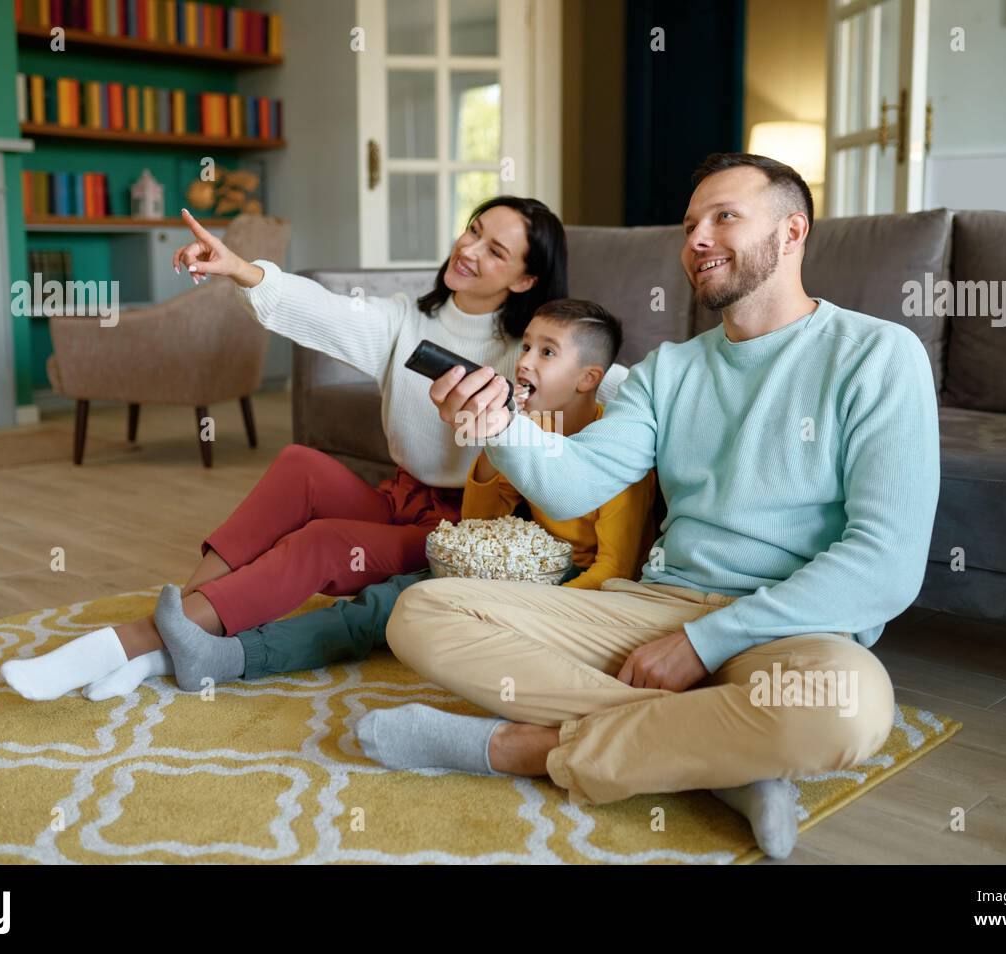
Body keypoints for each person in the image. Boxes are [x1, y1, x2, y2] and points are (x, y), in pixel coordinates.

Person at [359, 152, 941, 860]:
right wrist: (502, 427)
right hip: (654, 606)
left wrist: (705, 644)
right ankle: (724, 759)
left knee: (848, 706)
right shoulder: (671, 370)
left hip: (795, 623)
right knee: (423, 612)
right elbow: (578, 480)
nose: (697, 238)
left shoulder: (879, 354)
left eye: (725, 217)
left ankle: (523, 749)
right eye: (691, 222)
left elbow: (885, 565)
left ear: (792, 233)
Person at [1, 197, 627, 703]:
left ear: (526, 277)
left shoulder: (534, 354)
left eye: (495, 249)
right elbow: (315, 309)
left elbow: (619, 386)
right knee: (300, 464)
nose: (467, 249)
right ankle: (172, 642)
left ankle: (129, 643)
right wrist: (239, 268)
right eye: (472, 231)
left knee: (325, 542)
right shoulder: (402, 320)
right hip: (399, 497)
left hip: (460, 528)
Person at [150, 298, 657, 688]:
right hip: (513, 558)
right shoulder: (525, 429)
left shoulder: (614, 447)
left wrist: (531, 610)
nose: (525, 362)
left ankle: (229, 651)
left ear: (590, 377)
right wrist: (491, 444)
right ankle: (228, 656)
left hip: (568, 583)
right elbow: (480, 524)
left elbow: (614, 570)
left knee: (393, 611)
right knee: (383, 601)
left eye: (547, 352)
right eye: (526, 346)